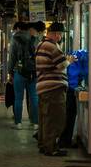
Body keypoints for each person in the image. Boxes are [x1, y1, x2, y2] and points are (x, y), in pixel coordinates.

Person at [36, 21, 72, 156]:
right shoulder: (52, 47)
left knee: (45, 118)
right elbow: (61, 65)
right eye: (61, 34)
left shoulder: (41, 45)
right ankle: (51, 148)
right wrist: (70, 60)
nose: (61, 37)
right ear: (56, 34)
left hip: (43, 87)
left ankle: (44, 145)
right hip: (53, 88)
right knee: (56, 118)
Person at [6, 22, 38, 127]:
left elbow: (12, 57)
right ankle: (35, 122)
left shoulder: (15, 39)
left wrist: (10, 72)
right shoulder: (34, 39)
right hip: (33, 72)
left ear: (18, 29)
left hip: (19, 71)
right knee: (34, 97)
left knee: (18, 98)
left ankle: (18, 123)